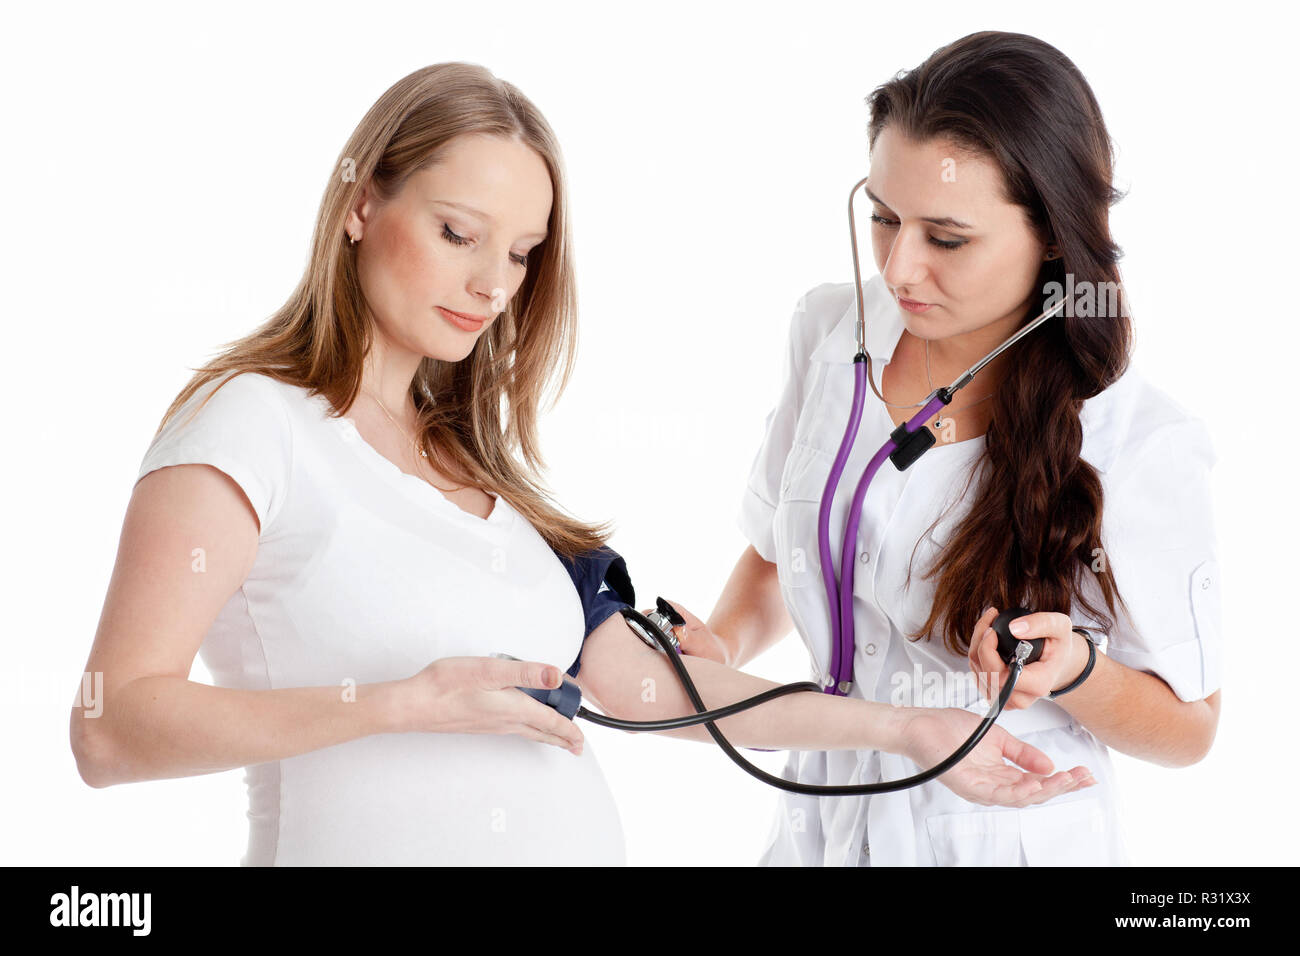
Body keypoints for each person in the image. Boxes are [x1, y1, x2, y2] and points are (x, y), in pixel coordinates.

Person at [70, 61, 1091, 867]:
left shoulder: (486, 479)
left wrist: (911, 731)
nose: (490, 283)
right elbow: (110, 728)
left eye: (520, 253)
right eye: (457, 231)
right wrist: (393, 703)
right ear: (358, 205)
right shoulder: (252, 422)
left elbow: (656, 692)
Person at [668, 31, 1224, 866]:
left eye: (947, 238)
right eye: (884, 218)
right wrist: (723, 643)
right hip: (825, 816)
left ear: (1054, 238)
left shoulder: (1136, 440)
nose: (899, 267)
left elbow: (1190, 729)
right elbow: (784, 550)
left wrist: (1073, 672)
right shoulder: (831, 333)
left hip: (1003, 831)